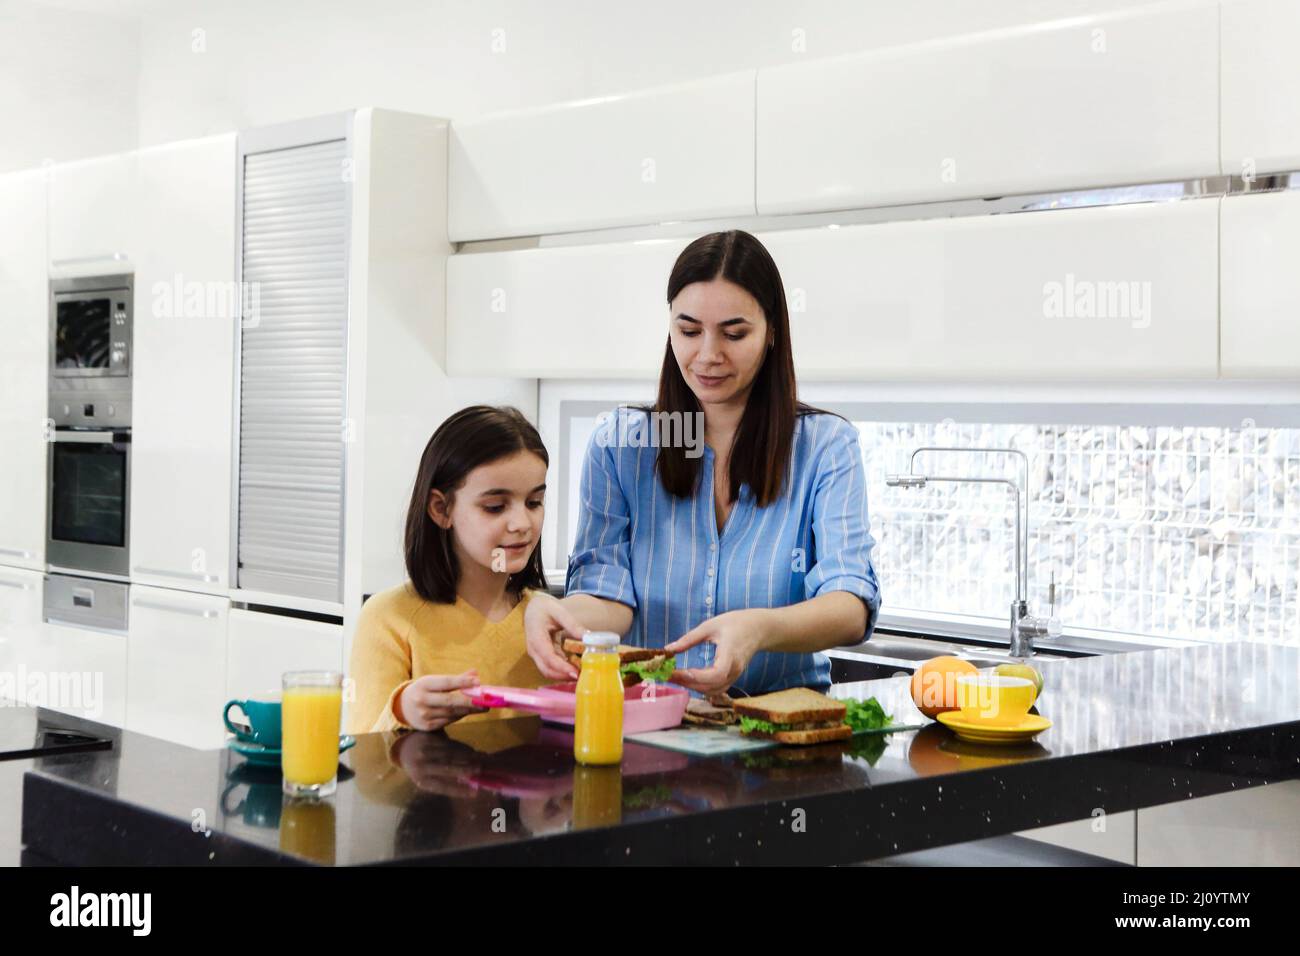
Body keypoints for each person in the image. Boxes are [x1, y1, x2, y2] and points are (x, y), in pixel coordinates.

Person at [523, 229, 882, 697]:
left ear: (773, 332)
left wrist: (760, 629)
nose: (708, 355)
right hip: (651, 725)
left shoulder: (824, 446)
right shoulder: (622, 446)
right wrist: (557, 616)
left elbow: (850, 606)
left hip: (783, 734)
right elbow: (607, 596)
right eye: (688, 331)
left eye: (734, 333)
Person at [346, 405, 550, 734]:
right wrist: (403, 711)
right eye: (495, 507)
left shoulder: (546, 622)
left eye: (534, 502)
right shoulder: (387, 618)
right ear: (441, 509)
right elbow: (367, 773)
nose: (522, 524)